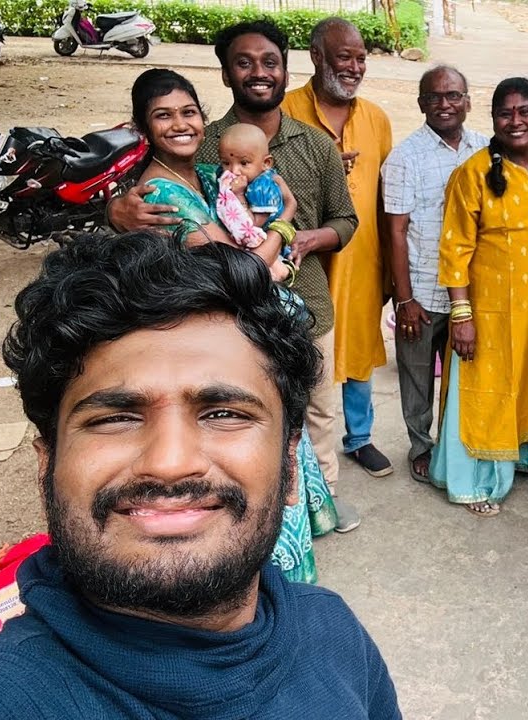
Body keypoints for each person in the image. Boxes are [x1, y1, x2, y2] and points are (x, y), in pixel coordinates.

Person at [0, 234, 401, 718]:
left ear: (291, 467)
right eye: (115, 418)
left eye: (224, 413)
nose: (170, 462)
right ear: (47, 466)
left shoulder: (334, 632)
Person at [110, 21, 364, 533]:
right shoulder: (207, 152)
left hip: (305, 303)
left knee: (316, 411)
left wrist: (304, 239)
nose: (258, 72)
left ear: (287, 69)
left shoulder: (315, 145)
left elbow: (346, 219)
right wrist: (116, 209)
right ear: (226, 74)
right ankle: (259, 522)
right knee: (247, 417)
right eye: (243, 62)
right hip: (228, 318)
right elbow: (155, 198)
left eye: (269, 61)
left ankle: (321, 502)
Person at [127, 68, 337, 583]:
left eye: (189, 112)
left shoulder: (207, 172)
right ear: (143, 127)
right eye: (163, 115)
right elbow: (241, 269)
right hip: (211, 343)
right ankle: (262, 576)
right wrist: (287, 221)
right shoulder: (160, 193)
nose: (180, 124)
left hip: (244, 334)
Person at [431, 77, 528, 516]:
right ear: (492, 118)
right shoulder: (473, 172)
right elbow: (455, 247)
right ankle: (475, 480)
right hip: (491, 309)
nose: (516, 122)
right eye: (505, 114)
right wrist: (462, 314)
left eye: (525, 112)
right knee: (487, 390)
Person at [282, 17, 395, 478]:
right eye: (344, 57)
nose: (354, 67)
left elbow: (389, 195)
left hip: (362, 257)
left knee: (360, 345)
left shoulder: (376, 119)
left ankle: (360, 437)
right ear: (317, 57)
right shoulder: (285, 110)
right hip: (302, 261)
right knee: (304, 350)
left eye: (361, 58)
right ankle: (300, 446)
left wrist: (391, 267)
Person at [381, 65, 487, 484]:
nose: (445, 104)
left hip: (471, 292)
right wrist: (404, 299)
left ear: (468, 100)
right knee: (416, 376)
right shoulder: (405, 158)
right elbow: (396, 230)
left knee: (468, 378)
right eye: (435, 97)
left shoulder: (486, 148)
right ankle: (421, 446)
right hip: (422, 293)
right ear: (421, 102)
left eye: (454, 95)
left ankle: (459, 446)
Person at [214, 122, 299, 283]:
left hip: (266, 242)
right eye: (226, 162)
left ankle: (280, 271)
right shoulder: (236, 177)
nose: (233, 171)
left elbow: (253, 225)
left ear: (266, 163)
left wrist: (238, 195)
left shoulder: (263, 188)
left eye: (244, 163)